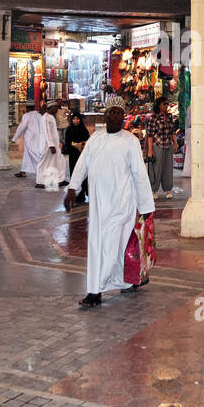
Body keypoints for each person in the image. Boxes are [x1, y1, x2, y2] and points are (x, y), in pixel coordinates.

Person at [63, 96, 155, 308]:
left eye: (118, 113)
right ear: (105, 115)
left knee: (110, 244)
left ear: (123, 117)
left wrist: (146, 208)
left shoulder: (130, 141)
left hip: (121, 204)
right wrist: (72, 188)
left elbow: (140, 174)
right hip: (97, 206)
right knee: (103, 245)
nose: (114, 116)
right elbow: (82, 164)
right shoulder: (95, 138)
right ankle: (128, 279)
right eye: (110, 112)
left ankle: (96, 291)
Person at [146, 96, 176, 199]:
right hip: (157, 145)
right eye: (164, 104)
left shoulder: (169, 117)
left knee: (168, 168)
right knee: (156, 168)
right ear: (159, 105)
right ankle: (153, 190)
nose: (166, 106)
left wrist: (175, 143)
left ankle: (168, 189)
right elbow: (150, 134)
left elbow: (172, 132)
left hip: (168, 144)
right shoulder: (153, 118)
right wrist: (150, 150)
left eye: (167, 104)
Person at [34, 102, 65, 189]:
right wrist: (51, 145)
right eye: (55, 107)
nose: (57, 109)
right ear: (51, 107)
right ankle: (40, 181)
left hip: (53, 144)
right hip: (47, 145)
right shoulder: (45, 118)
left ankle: (58, 180)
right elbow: (46, 132)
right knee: (43, 163)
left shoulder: (51, 117)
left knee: (58, 161)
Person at [11, 103, 45, 179]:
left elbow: (22, 127)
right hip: (38, 138)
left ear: (27, 108)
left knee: (35, 155)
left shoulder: (26, 115)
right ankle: (23, 171)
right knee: (27, 155)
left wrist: (14, 138)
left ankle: (42, 171)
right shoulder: (39, 115)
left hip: (30, 139)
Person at [62, 111, 90, 204]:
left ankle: (86, 194)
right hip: (73, 156)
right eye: (74, 119)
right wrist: (75, 145)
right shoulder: (69, 130)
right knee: (75, 174)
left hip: (82, 155)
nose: (75, 121)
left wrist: (82, 145)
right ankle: (78, 196)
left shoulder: (84, 129)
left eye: (77, 119)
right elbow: (67, 142)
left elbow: (87, 141)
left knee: (84, 175)